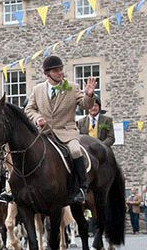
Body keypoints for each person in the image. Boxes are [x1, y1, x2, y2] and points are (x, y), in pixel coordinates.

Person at [18, 55, 96, 204]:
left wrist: (90, 94)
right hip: (44, 133)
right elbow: (29, 109)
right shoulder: (37, 89)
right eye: (56, 71)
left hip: (67, 131)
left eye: (61, 69)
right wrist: (37, 118)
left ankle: (81, 187)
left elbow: (86, 105)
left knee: (74, 150)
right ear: (47, 73)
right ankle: (12, 189)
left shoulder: (72, 87)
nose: (60, 73)